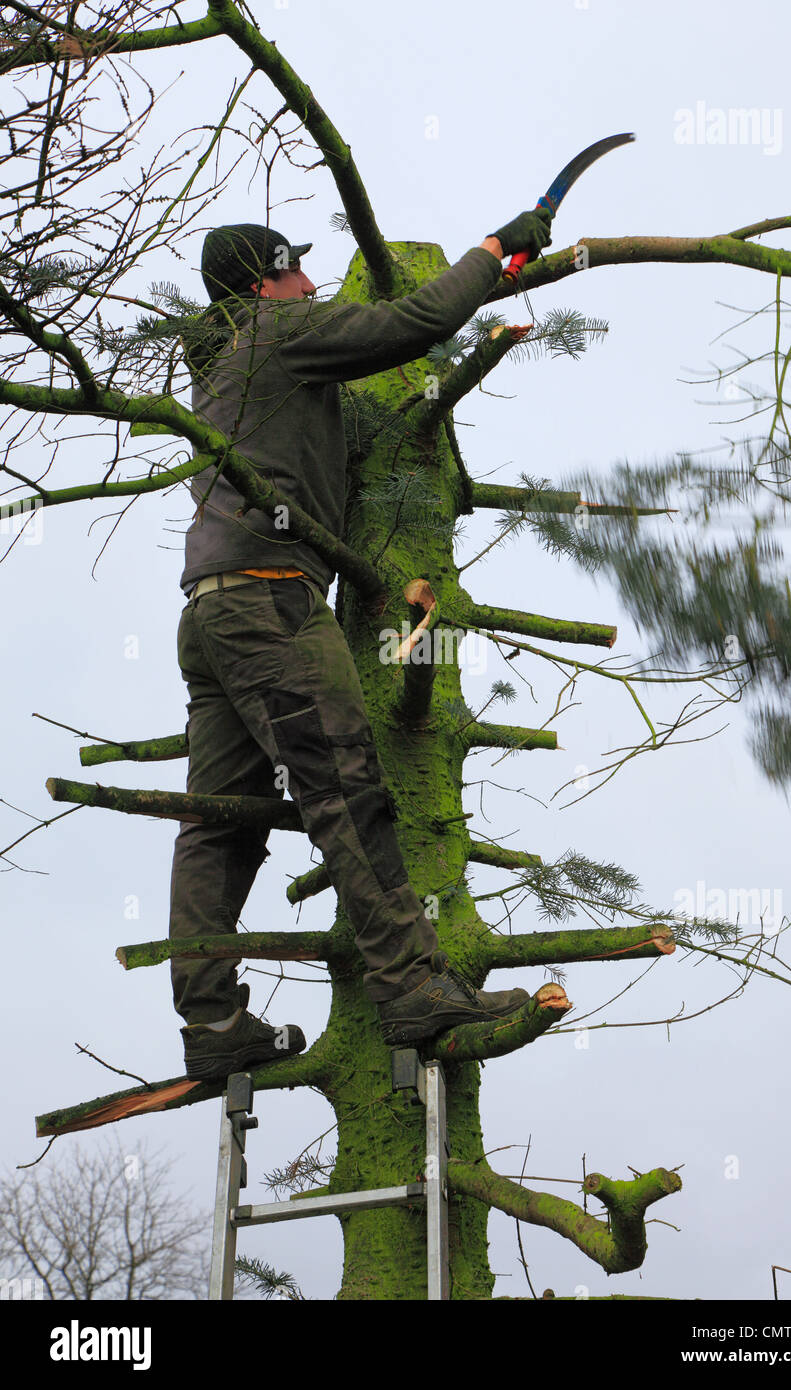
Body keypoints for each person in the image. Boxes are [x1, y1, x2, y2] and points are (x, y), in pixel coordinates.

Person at [171, 209, 552, 1081]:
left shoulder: (224, 362)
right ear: (268, 281)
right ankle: (414, 986)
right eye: (298, 272)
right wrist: (493, 254)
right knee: (344, 791)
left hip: (207, 610)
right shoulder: (281, 331)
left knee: (218, 828)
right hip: (272, 605)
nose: (313, 285)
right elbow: (414, 324)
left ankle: (212, 1021)